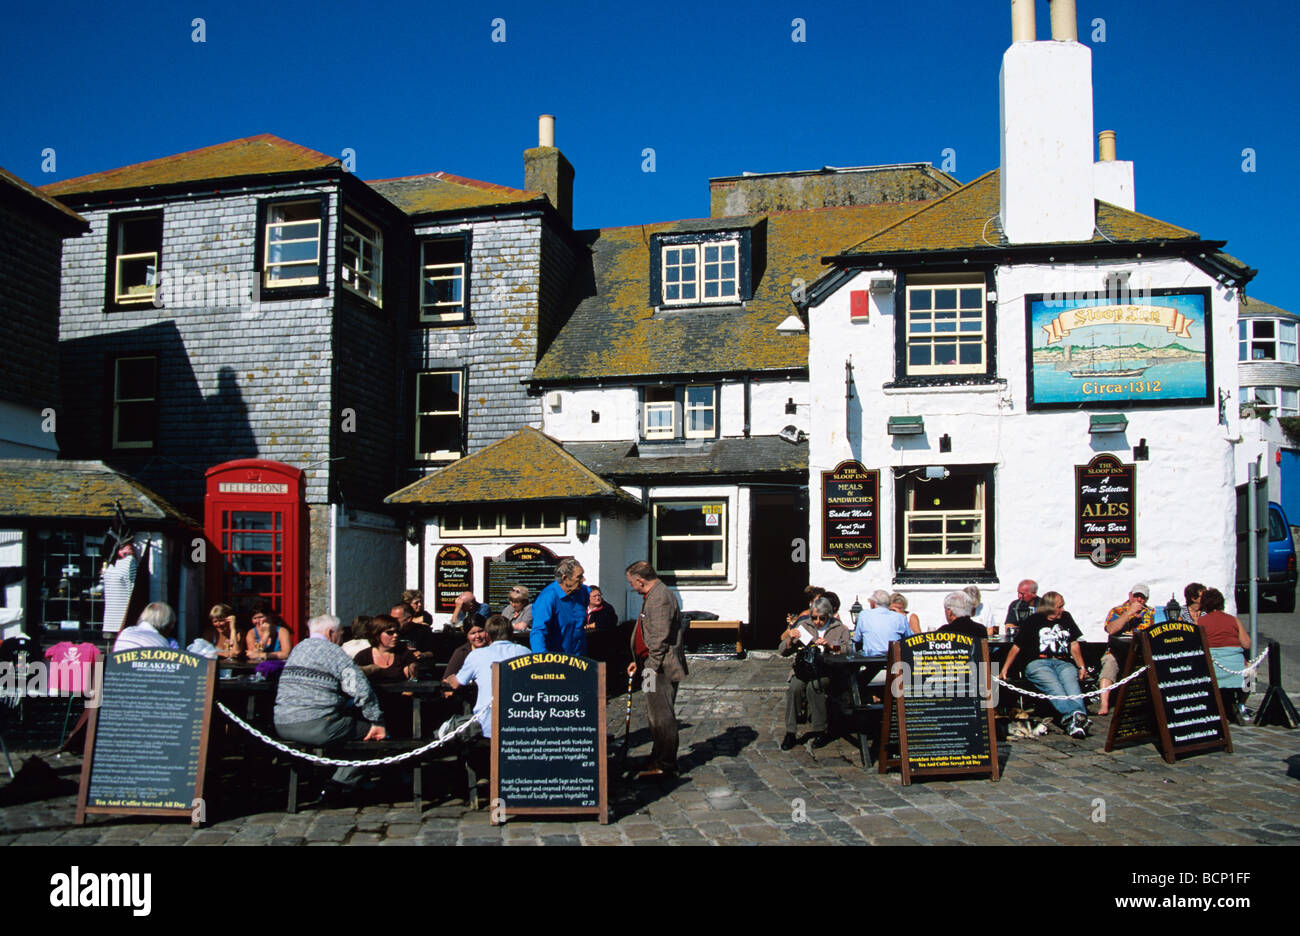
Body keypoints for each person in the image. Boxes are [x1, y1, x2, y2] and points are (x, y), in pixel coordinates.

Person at [273, 613, 386, 803]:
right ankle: (337, 784)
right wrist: (377, 721)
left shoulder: (298, 649)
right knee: (373, 735)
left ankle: (327, 779)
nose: (342, 637)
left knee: (343, 723)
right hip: (316, 726)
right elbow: (361, 689)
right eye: (341, 633)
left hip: (283, 724)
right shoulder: (334, 653)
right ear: (331, 632)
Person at [999, 592, 1090, 738]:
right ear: (1049, 607)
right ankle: (1077, 717)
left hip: (1063, 662)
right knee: (1055, 688)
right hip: (1038, 663)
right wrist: (1005, 669)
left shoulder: (1066, 618)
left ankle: (1075, 722)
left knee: (1072, 688)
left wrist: (1081, 666)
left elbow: (1073, 644)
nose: (1062, 609)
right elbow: (1017, 646)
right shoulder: (1033, 621)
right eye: (1059, 607)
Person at [626, 561, 687, 776]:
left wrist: (649, 667)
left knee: (662, 716)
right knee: (653, 713)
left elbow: (660, 639)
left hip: (659, 668)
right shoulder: (653, 595)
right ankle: (657, 757)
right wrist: (639, 659)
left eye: (632, 582)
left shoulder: (660, 597)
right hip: (650, 665)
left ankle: (666, 764)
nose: (632, 586)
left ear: (641, 580)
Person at [779, 595, 850, 750]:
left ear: (829, 616)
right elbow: (782, 651)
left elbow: (847, 649)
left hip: (826, 670)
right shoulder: (804, 625)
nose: (817, 622)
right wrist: (790, 639)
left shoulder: (839, 628)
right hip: (805, 669)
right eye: (815, 618)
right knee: (794, 688)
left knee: (815, 687)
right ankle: (790, 732)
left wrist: (831, 646)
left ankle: (819, 730)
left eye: (822, 618)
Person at [444, 613, 531, 739]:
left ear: (488, 636)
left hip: (486, 726)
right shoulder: (526, 652)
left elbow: (456, 683)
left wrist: (451, 678)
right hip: (521, 723)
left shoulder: (477, 655)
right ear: (511, 633)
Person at [1098, 583, 1155, 715]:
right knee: (1109, 662)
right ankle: (1104, 704)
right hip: (1117, 650)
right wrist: (1129, 613)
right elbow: (1111, 630)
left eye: (1142, 598)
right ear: (1130, 596)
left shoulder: (1151, 612)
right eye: (1136, 596)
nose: (1139, 600)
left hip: (1141, 652)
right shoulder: (1117, 610)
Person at [1196, 588, 1252, 718]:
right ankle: (1242, 703)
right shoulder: (1233, 620)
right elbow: (1246, 644)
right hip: (1235, 667)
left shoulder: (1200, 622)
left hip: (1212, 667)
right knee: (1251, 676)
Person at [530, 558, 590, 655]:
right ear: (565, 578)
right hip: (558, 661)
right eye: (579, 577)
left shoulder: (583, 592)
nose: (584, 579)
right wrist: (542, 661)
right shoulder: (547, 597)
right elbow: (538, 632)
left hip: (580, 659)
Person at [353, 614, 419, 682]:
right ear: (376, 634)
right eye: (390, 632)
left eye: (397, 632)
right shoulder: (362, 657)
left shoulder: (404, 654)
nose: (395, 635)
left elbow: (412, 682)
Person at [853, 590, 912, 655]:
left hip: (870, 660)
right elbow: (910, 639)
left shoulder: (863, 615)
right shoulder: (901, 618)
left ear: (872, 603)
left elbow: (856, 639)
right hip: (893, 659)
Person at [101, 540, 139, 636]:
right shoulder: (109, 564)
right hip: (111, 618)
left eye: (128, 548)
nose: (125, 552)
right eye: (122, 549)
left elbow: (134, 588)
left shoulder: (129, 562)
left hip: (123, 618)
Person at [442, 619, 490, 690]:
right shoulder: (461, 652)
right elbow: (446, 680)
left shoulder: (493, 650)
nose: (478, 636)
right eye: (473, 633)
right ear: (467, 636)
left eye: (480, 631)